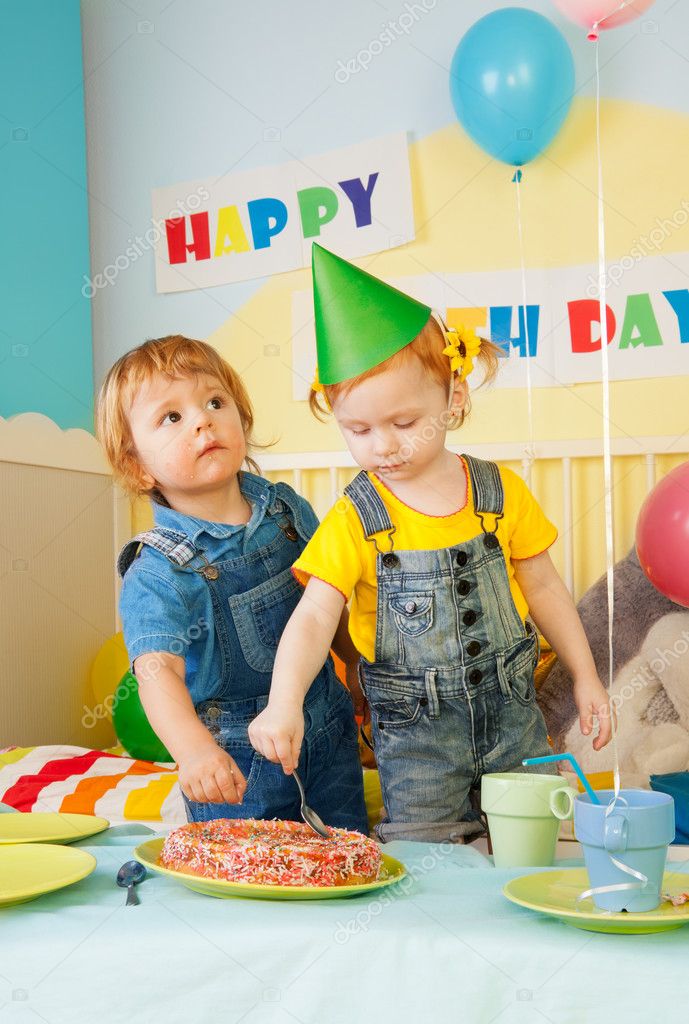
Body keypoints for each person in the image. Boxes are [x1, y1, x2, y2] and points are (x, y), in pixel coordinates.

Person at [248, 245, 612, 843]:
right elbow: (314, 616)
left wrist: (585, 675)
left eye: (405, 423)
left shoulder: (500, 491)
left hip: (516, 724)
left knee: (535, 842)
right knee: (429, 862)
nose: (383, 446)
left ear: (455, 398)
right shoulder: (355, 517)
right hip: (417, 742)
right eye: (358, 430)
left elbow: (543, 586)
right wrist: (283, 703)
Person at [96, 334, 368, 833]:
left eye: (214, 402)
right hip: (236, 765)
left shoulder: (288, 512)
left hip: (325, 727)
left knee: (346, 854)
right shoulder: (158, 571)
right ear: (137, 466)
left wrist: (354, 663)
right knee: (245, 875)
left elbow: (323, 604)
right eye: (171, 417)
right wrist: (195, 752)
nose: (202, 419)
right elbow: (156, 672)